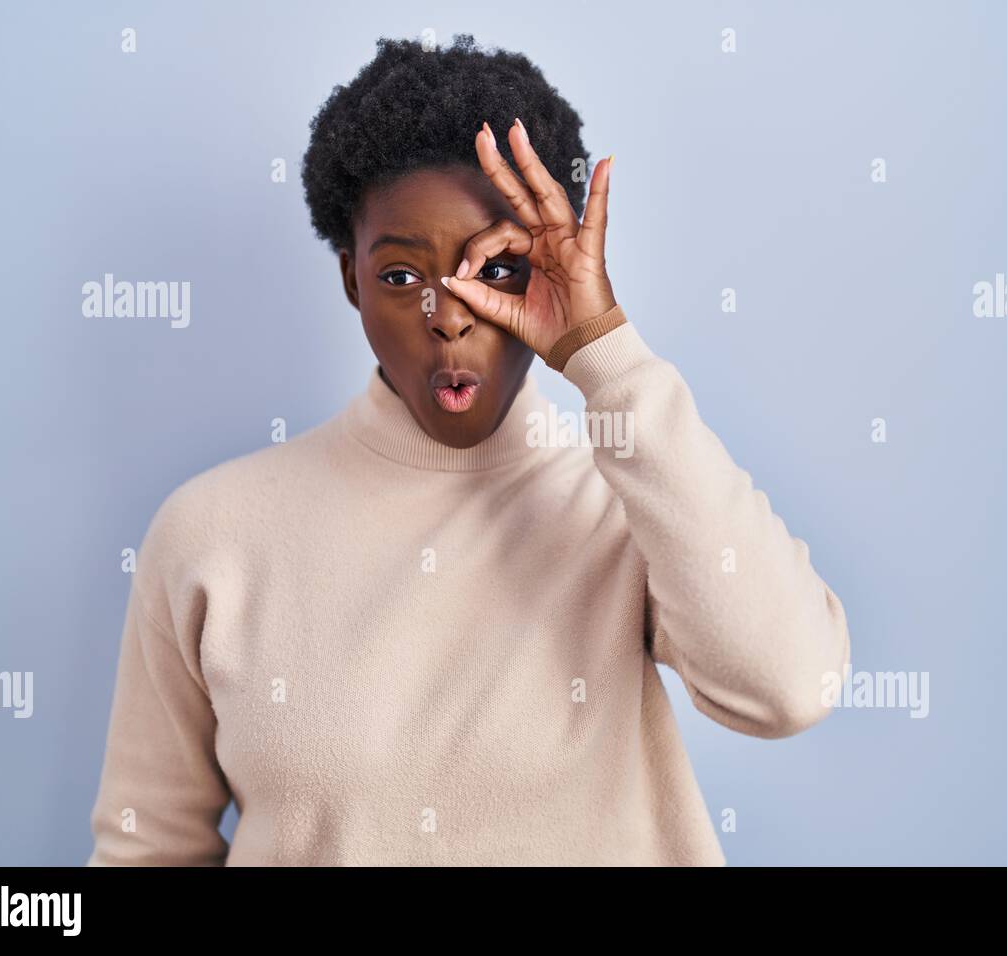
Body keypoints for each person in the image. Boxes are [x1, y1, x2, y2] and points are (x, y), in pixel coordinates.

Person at [86, 33, 851, 866]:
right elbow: (146, 847)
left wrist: (605, 351)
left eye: (495, 269)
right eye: (401, 276)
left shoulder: (633, 507)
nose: (448, 315)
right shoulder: (212, 533)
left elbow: (789, 687)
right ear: (350, 281)